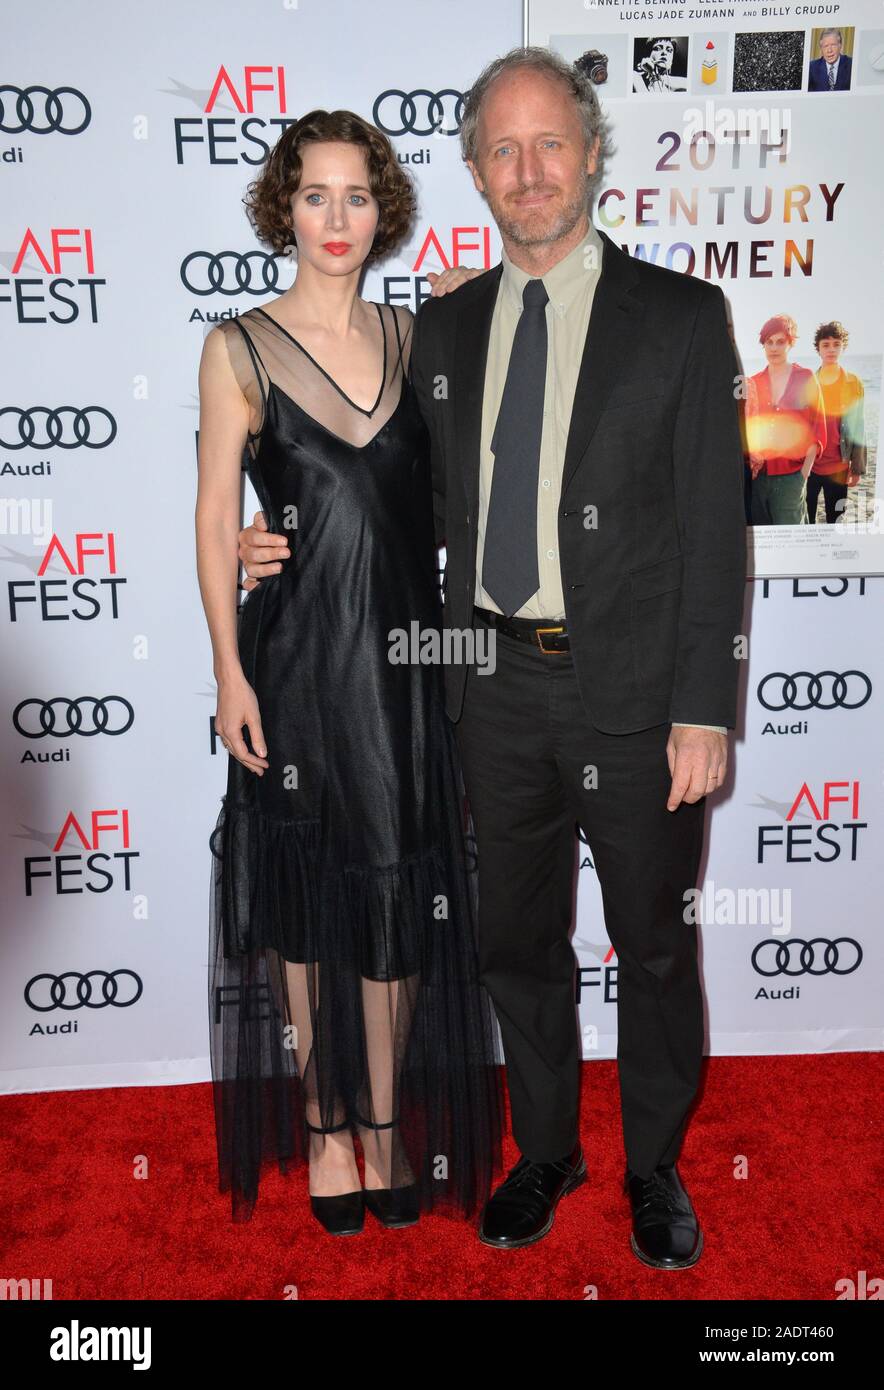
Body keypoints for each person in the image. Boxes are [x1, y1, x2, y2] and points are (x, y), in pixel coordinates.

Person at [239, 46, 747, 1269]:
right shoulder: (439, 332)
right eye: (501, 150)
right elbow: (362, 476)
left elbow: (710, 526)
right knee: (516, 944)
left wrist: (701, 706)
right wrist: (274, 538)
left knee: (653, 941)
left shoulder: (681, 317)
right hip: (486, 686)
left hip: (633, 698)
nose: (529, 171)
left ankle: (653, 1164)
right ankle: (546, 1152)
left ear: (588, 152)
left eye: (549, 143)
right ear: (473, 170)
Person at [194, 107, 504, 1232]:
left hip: (404, 662)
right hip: (293, 659)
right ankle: (324, 1125)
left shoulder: (421, 340)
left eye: (357, 194)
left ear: (385, 211)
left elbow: (468, 491)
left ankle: (383, 1121)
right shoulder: (235, 347)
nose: (336, 216)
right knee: (302, 906)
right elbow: (208, 513)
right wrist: (229, 667)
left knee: (400, 892)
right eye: (314, 194)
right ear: (284, 207)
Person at [745, 315, 827, 525]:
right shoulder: (753, 383)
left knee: (793, 542)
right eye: (769, 342)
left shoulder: (806, 377)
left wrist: (803, 475)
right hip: (759, 479)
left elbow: (817, 427)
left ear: (790, 343)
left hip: (792, 476)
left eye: (780, 341)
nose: (774, 348)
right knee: (761, 543)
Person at [807, 320, 866, 523]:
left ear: (843, 347)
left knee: (836, 522)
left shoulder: (853, 382)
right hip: (810, 466)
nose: (831, 349)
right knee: (807, 523)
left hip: (839, 466)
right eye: (826, 345)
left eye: (836, 344)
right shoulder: (808, 382)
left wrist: (857, 467)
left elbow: (859, 425)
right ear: (818, 349)